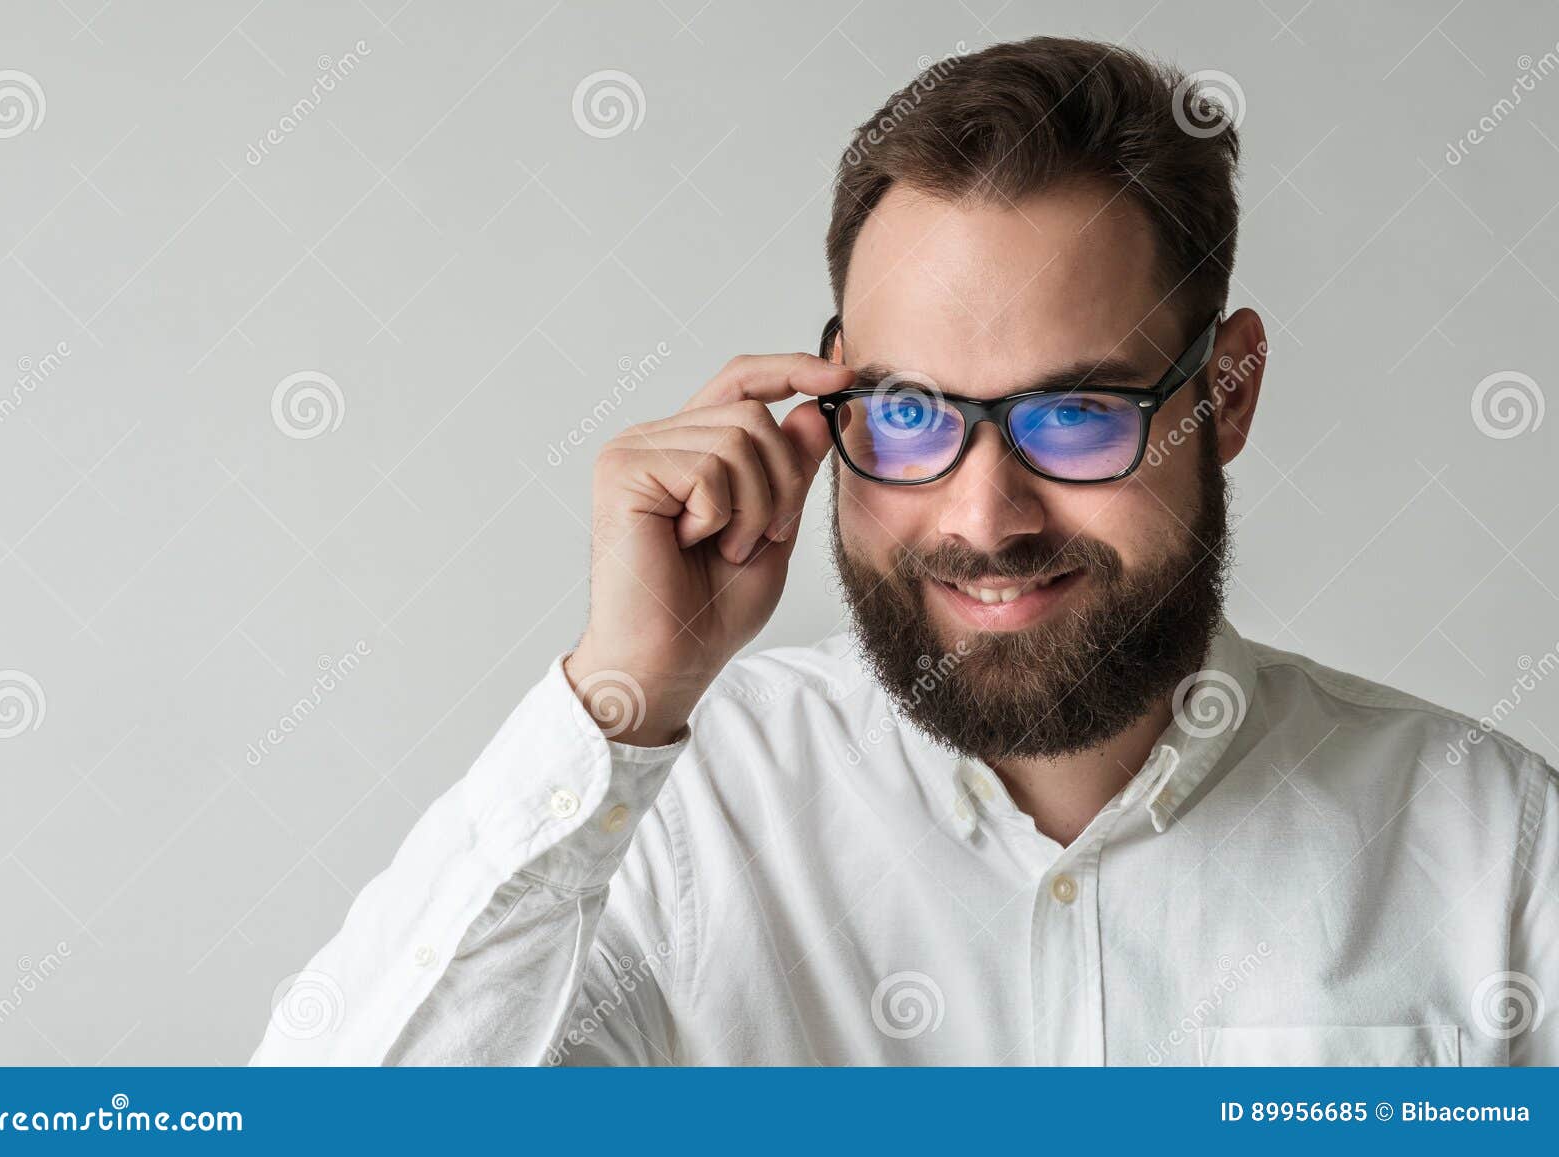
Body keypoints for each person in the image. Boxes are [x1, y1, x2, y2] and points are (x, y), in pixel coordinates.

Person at [251, 36, 1556, 1066]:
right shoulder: (681, 811)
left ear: (1228, 393)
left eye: (1077, 413)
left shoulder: (1493, 847)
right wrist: (622, 695)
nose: (984, 518)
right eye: (912, 413)